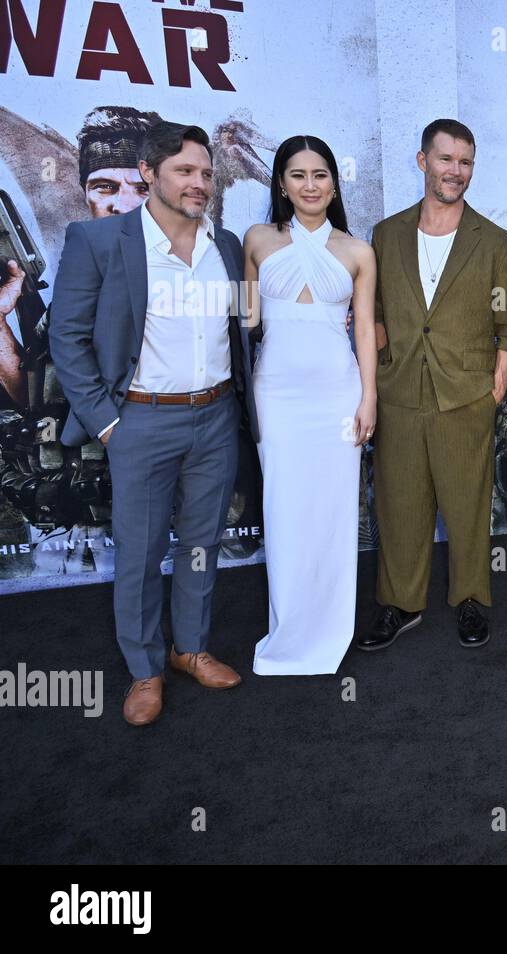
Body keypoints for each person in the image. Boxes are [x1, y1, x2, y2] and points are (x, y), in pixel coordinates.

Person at [49, 121, 258, 725]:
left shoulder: (225, 244)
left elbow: (242, 326)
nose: (200, 184)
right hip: (140, 421)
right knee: (139, 555)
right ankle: (145, 670)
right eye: (185, 172)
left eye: (206, 173)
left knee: (200, 546)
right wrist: (108, 423)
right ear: (149, 174)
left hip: (215, 417)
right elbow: (68, 337)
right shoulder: (99, 240)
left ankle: (189, 648)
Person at [355, 119, 507, 652]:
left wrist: (495, 388)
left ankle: (471, 598)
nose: (456, 171)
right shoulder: (386, 234)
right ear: (422, 160)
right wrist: (382, 371)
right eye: (446, 159)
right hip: (401, 393)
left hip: (466, 396)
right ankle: (401, 604)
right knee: (399, 505)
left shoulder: (496, 243)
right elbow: (375, 313)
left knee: (469, 506)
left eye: (466, 162)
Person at [243, 136, 377, 675]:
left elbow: (364, 329)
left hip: (337, 394)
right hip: (274, 394)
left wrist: (369, 397)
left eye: (320, 174)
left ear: (334, 182)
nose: (310, 185)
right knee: (283, 512)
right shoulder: (255, 240)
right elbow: (246, 323)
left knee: (333, 513)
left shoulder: (357, 251)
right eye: (297, 175)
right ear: (281, 183)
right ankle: (289, 630)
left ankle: (327, 633)